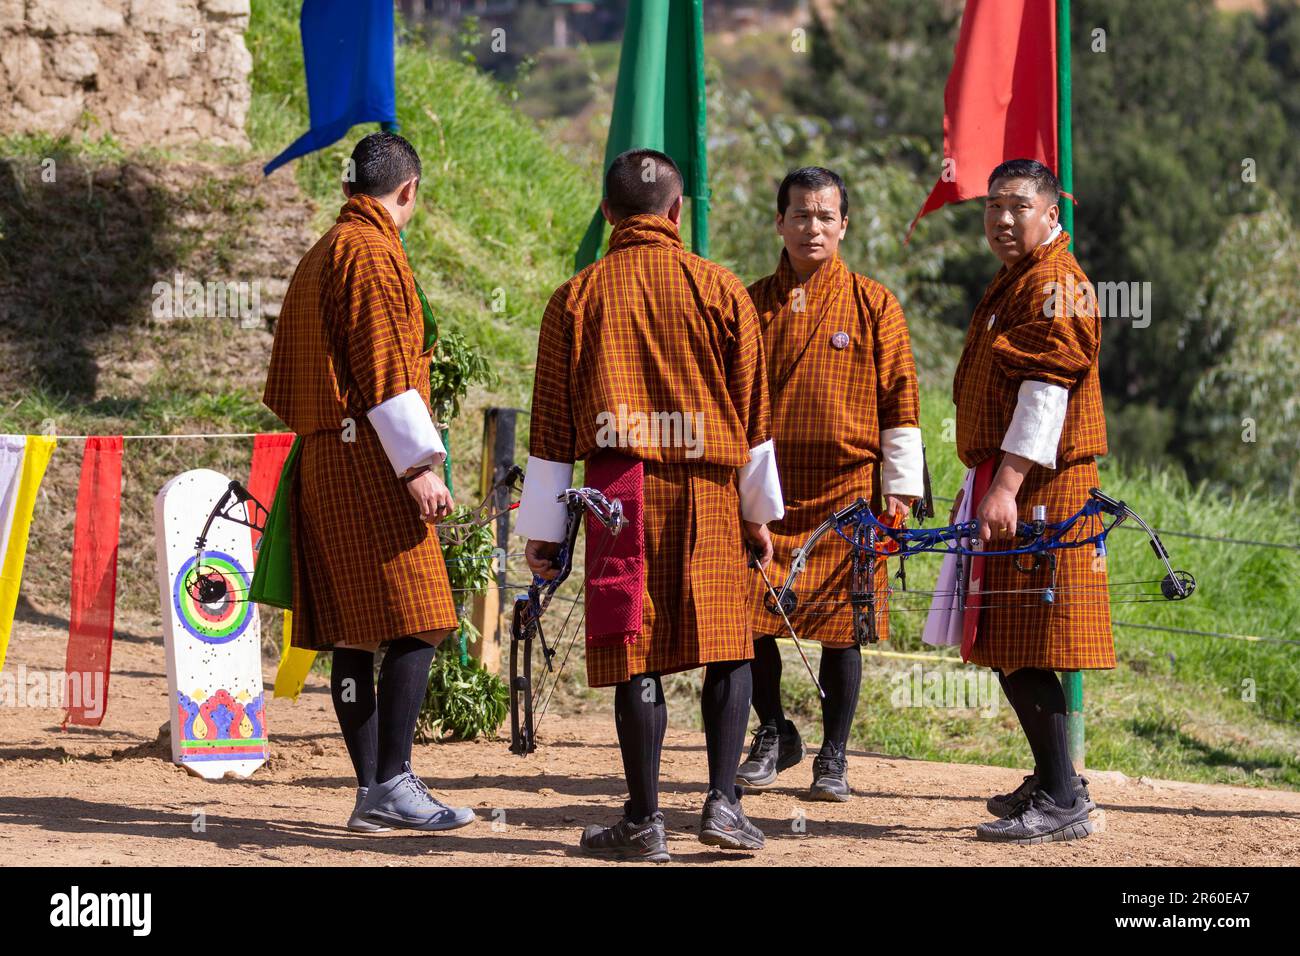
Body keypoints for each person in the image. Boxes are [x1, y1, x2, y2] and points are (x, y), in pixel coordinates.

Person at [517, 148, 783, 862]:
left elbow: (550, 428)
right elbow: (755, 422)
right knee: (727, 642)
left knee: (634, 649)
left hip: (617, 494)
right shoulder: (724, 291)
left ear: (607, 214)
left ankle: (643, 822)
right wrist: (758, 517)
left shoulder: (575, 298)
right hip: (710, 490)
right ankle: (723, 806)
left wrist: (544, 531)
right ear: (676, 212)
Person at [262, 131, 475, 833]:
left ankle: (373, 792)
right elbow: (387, 368)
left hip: (327, 453)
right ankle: (392, 780)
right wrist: (419, 466)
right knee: (421, 618)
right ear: (407, 189)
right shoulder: (373, 252)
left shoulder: (325, 248)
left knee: (355, 632)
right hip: (371, 457)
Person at [736, 167, 924, 801]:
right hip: (769, 489)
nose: (811, 227)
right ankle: (774, 731)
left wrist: (899, 488)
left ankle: (834, 755)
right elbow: (731, 398)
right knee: (753, 618)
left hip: (850, 493)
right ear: (779, 222)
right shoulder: (750, 301)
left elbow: (902, 402)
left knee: (846, 628)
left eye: (824, 216)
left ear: (843, 225)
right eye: (799, 214)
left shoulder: (876, 304)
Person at [951, 158, 1106, 843]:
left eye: (1018, 207)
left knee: (1024, 642)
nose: (1002, 219)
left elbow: (1046, 395)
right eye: (993, 207)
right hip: (1016, 480)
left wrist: (1007, 486)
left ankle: (1065, 798)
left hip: (1038, 486)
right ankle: (1053, 780)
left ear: (1052, 215)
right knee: (1016, 639)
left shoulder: (1055, 284)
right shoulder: (1024, 278)